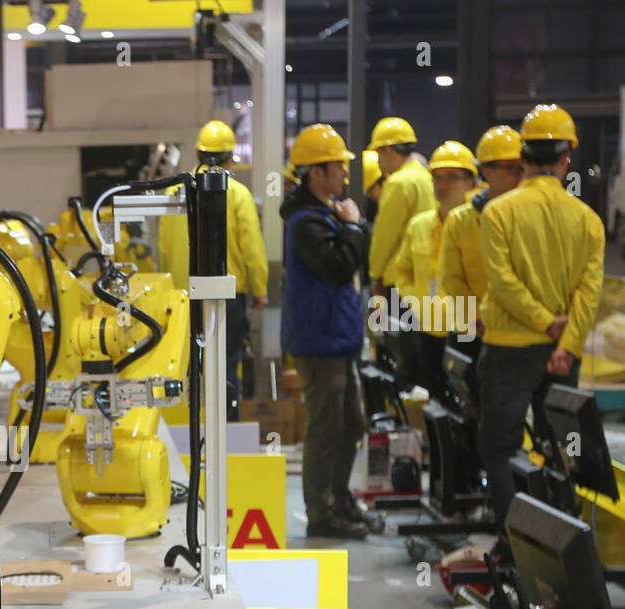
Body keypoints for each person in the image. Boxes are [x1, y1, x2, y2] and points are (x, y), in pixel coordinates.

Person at [477, 104, 605, 536]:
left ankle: (514, 545)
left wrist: (544, 322)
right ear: (567, 159)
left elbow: (503, 282)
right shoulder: (588, 221)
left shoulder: (497, 213)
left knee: (499, 447)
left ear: (522, 157)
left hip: (509, 350)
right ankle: (562, 544)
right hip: (561, 355)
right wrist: (566, 342)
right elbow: (590, 292)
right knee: (561, 449)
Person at [279, 124, 371, 539]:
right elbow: (338, 266)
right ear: (316, 173)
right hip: (319, 342)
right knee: (325, 427)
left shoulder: (322, 215)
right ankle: (321, 513)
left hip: (337, 339)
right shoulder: (306, 223)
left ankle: (339, 499)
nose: (346, 175)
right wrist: (353, 227)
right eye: (339, 166)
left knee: (351, 423)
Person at [387, 140, 478, 394]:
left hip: (465, 330)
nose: (442, 185)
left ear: (469, 182)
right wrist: (416, 301)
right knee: (434, 399)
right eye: (437, 178)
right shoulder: (419, 225)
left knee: (467, 399)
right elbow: (401, 269)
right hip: (428, 327)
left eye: (451, 177)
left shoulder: (479, 226)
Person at [194, 120, 268, 420]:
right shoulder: (237, 194)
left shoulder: (178, 190)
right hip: (228, 295)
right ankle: (226, 428)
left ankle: (193, 427)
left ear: (199, 155)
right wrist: (260, 289)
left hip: (186, 295)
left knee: (193, 362)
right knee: (226, 363)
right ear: (229, 157)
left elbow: (165, 246)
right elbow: (251, 245)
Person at [438, 125, 524, 352]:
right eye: (510, 168)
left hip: (521, 333)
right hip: (473, 332)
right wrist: (478, 317)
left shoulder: (530, 218)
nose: (519, 176)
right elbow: (451, 279)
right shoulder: (460, 221)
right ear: (487, 171)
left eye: (521, 168)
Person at [366, 117, 434, 300]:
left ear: (388, 150)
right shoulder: (424, 177)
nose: (378, 161)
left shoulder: (398, 183)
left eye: (379, 153)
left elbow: (385, 235)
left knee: (397, 328)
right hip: (425, 274)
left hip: (399, 279)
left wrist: (375, 274)